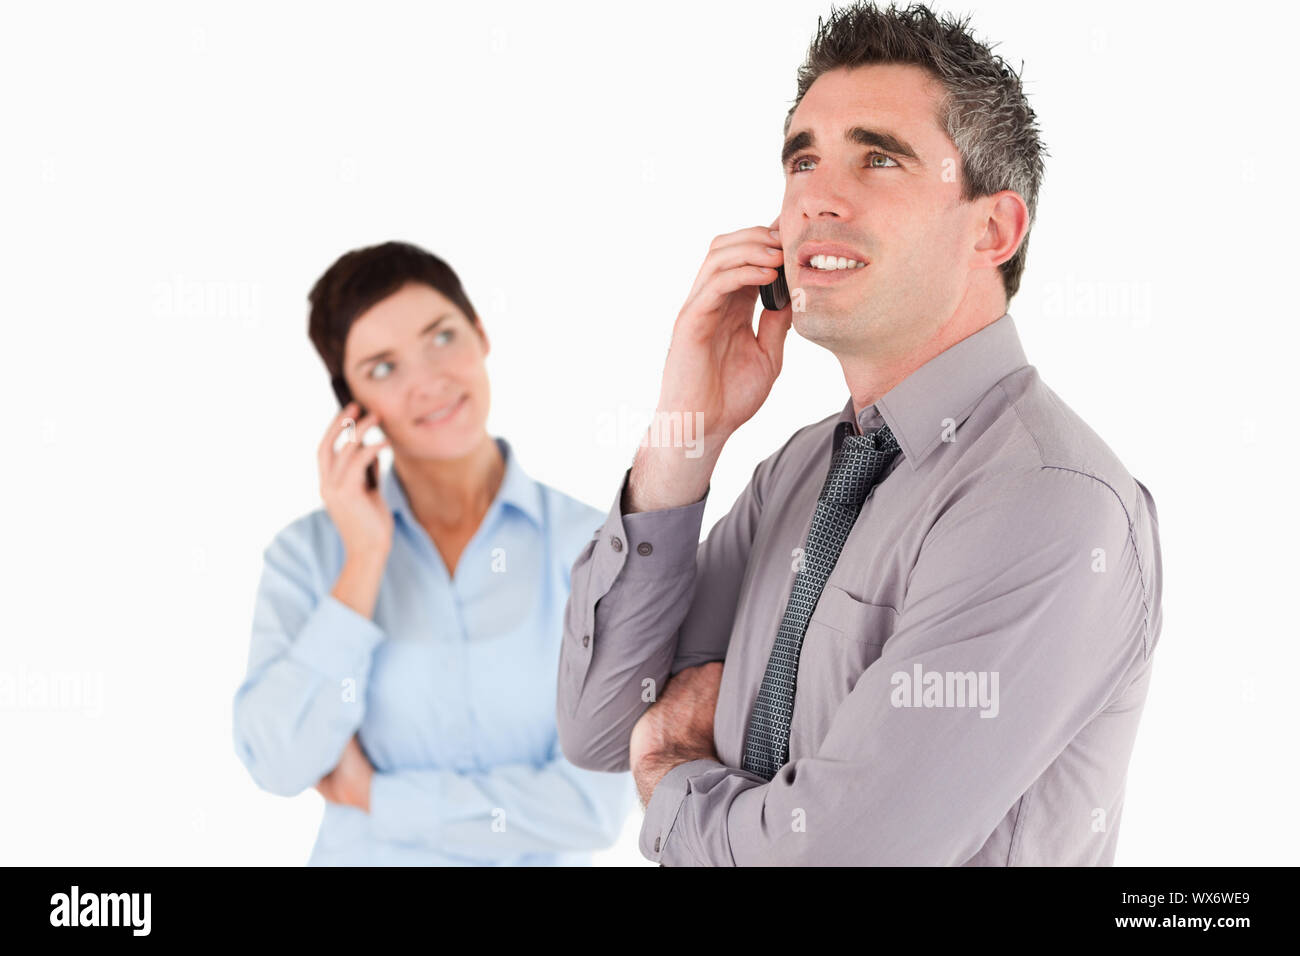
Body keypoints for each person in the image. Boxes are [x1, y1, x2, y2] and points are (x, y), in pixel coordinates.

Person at [556, 1, 1163, 865]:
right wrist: (687, 430)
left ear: (993, 229)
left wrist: (670, 769)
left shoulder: (1049, 501)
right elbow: (599, 722)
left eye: (878, 158)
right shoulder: (799, 472)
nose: (815, 199)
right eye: (803, 160)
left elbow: (836, 856)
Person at [233, 240, 634, 865]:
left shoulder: (591, 548)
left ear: (480, 334)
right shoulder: (307, 557)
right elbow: (281, 763)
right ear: (352, 406)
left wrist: (379, 799)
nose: (428, 382)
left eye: (441, 337)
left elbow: (593, 808)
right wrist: (363, 563)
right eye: (383, 368)